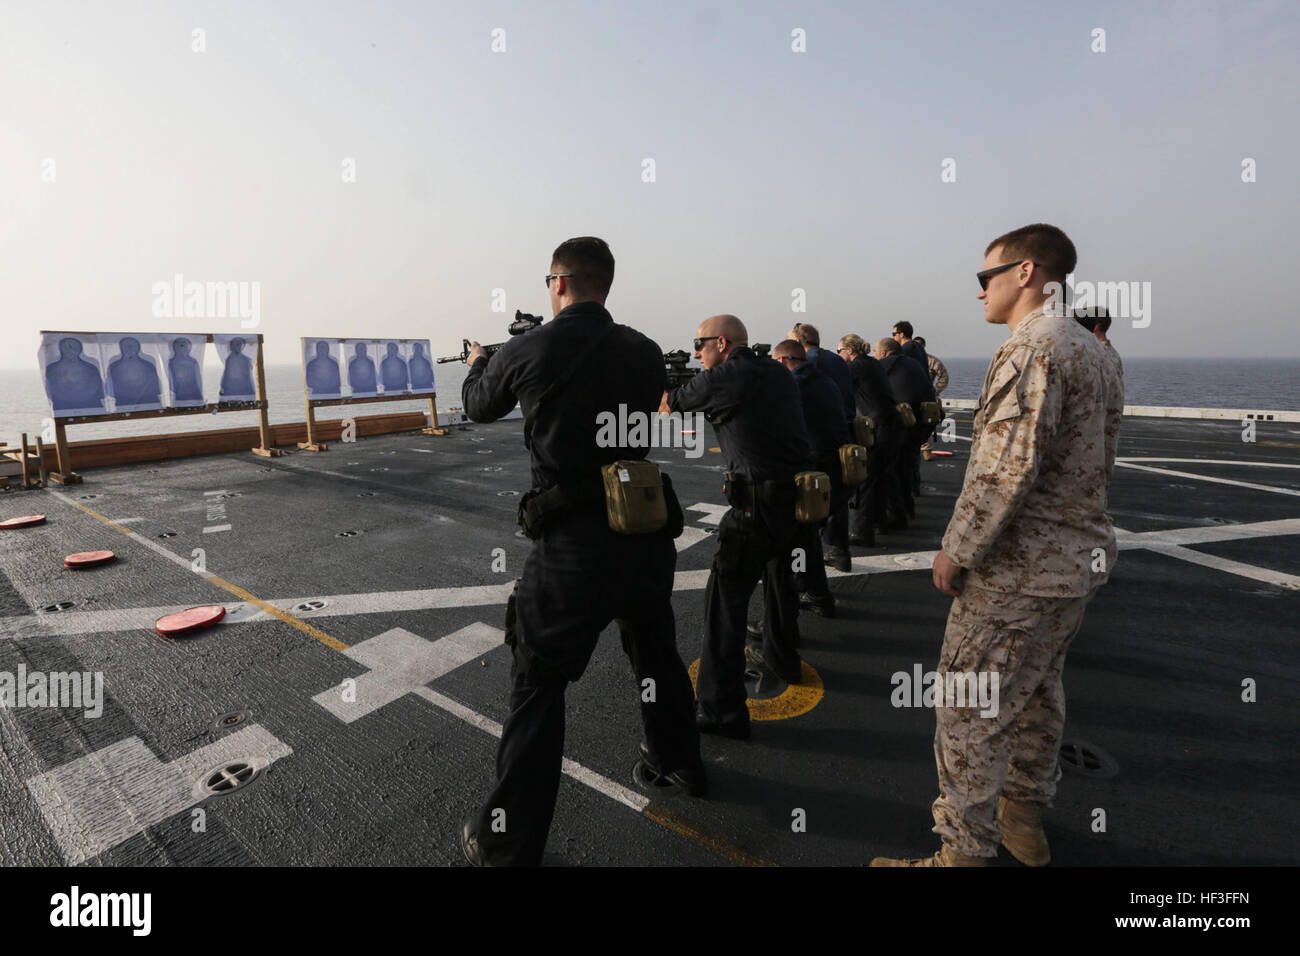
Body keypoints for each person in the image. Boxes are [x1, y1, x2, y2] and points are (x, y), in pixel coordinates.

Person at [872, 223, 1123, 867]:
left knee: (967, 708)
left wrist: (957, 549)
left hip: (1018, 569)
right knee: (1038, 694)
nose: (978, 291)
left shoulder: (1031, 349)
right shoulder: (1098, 352)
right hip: (1074, 566)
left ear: (1026, 272)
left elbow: (1007, 468)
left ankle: (961, 854)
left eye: (985, 277)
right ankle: (1023, 823)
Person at [460, 237, 703, 867]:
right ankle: (678, 762)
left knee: (537, 683)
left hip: (573, 546)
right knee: (656, 655)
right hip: (643, 529)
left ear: (558, 283)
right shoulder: (644, 349)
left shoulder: (531, 346)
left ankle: (506, 844)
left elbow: (480, 406)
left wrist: (480, 360)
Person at [663, 315, 812, 738]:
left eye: (700, 344)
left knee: (724, 605)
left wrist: (663, 387)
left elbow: (671, 404)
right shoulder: (775, 370)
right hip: (794, 501)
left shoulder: (728, 375)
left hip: (755, 506)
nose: (696, 352)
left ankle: (720, 710)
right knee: (780, 583)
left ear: (722, 343)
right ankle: (784, 661)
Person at [772, 339, 850, 617]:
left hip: (814, 467)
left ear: (782, 361)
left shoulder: (795, 385)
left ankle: (789, 608)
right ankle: (815, 593)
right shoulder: (825, 381)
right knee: (806, 536)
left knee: (793, 539)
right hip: (835, 468)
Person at [789, 323, 854, 572]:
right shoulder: (836, 359)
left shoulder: (810, 361)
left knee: (812, 506)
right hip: (843, 431)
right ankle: (838, 550)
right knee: (835, 499)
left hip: (819, 438)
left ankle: (809, 572)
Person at [837, 334, 904, 542]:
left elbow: (837, 384)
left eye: (839, 351)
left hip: (880, 428)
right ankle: (882, 521)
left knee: (866, 479)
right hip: (892, 425)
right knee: (881, 477)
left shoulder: (856, 367)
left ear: (849, 350)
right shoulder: (872, 363)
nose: (839, 355)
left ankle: (862, 532)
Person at [874, 337, 937, 511]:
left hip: (901, 426)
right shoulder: (914, 364)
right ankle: (907, 504)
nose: (875, 355)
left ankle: (896, 512)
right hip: (921, 425)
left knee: (891, 470)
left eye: (875, 352)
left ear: (884, 353)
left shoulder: (886, 365)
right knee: (908, 466)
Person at [913, 336, 948, 460]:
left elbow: (944, 377)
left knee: (926, 423)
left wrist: (935, 390)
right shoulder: (907, 359)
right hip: (910, 395)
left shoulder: (932, 361)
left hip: (926, 397)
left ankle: (926, 450)